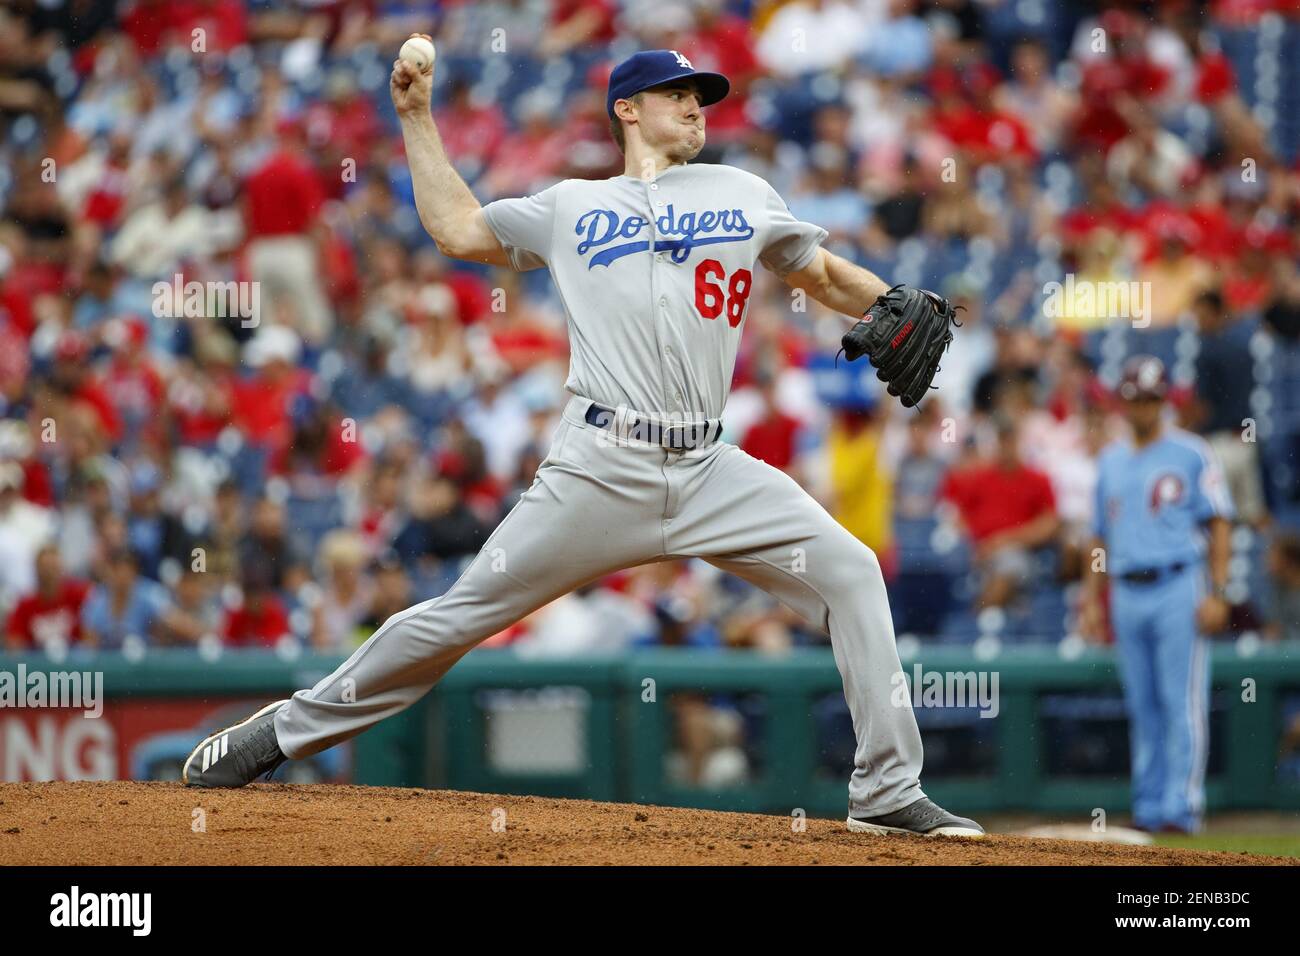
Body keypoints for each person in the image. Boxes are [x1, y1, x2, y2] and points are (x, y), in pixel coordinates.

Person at [181, 48, 983, 839]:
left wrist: (897, 301)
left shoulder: (743, 192)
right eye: (677, 95)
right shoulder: (569, 204)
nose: (697, 106)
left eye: (702, 96)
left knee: (849, 572)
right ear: (627, 109)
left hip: (710, 467)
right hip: (600, 468)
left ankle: (885, 789)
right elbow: (458, 228)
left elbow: (822, 276)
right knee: (460, 615)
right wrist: (418, 118)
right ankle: (283, 733)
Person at [1080, 356, 1233, 834]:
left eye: (1150, 398)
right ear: (1123, 402)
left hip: (1178, 581)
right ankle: (1148, 806)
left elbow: (1219, 522)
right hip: (1127, 586)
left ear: (1164, 400)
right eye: (1134, 398)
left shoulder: (1191, 452)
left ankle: (1181, 808)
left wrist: (1218, 590)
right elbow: (1098, 537)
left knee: (1180, 702)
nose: (1142, 407)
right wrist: (1090, 599)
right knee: (1142, 705)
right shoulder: (1110, 459)